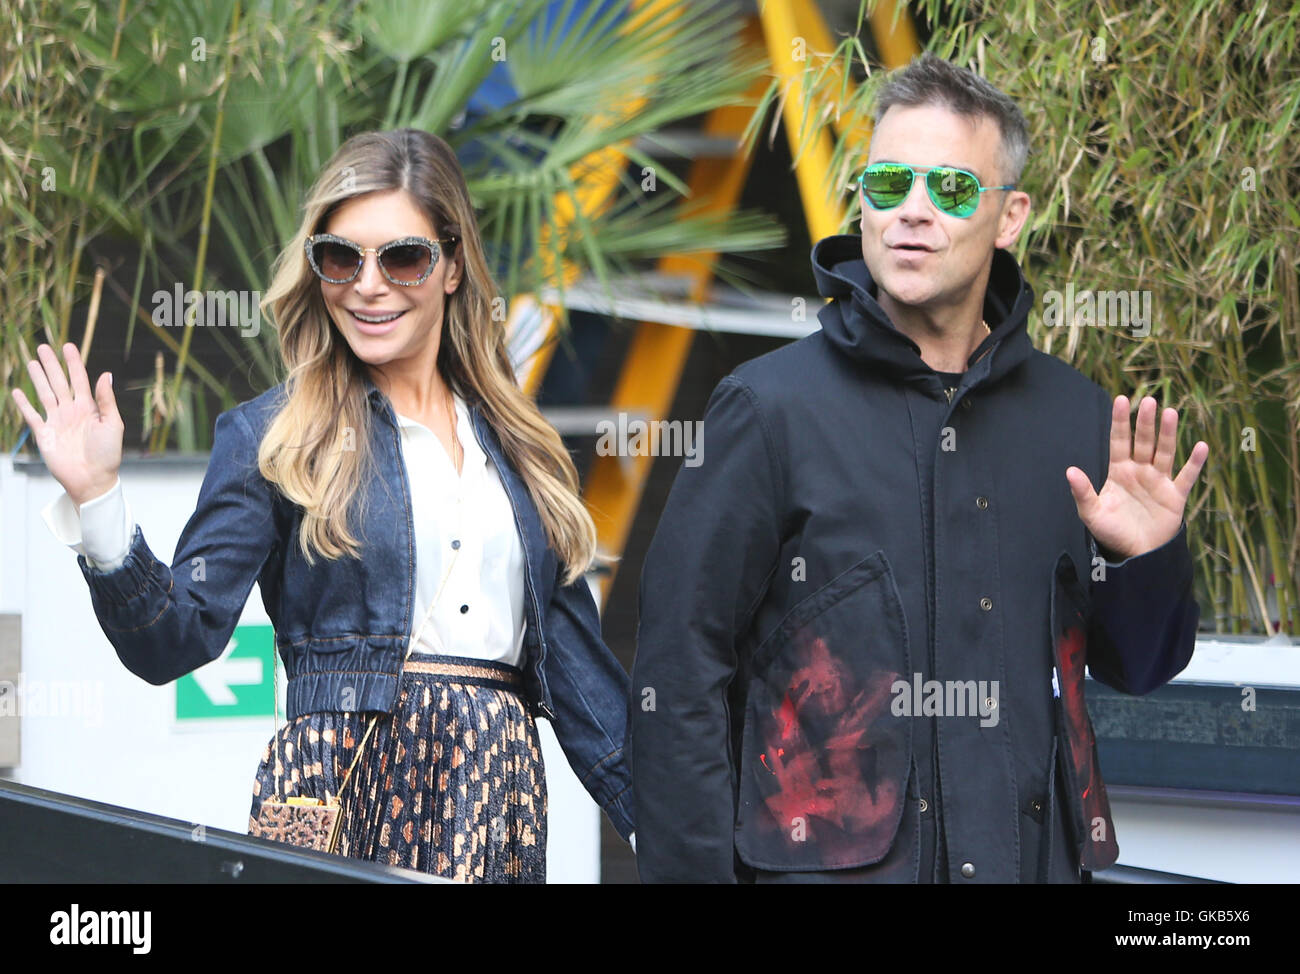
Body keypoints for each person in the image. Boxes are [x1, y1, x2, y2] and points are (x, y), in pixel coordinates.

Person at [630, 53, 1208, 884]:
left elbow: (1143, 667)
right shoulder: (766, 411)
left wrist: (1138, 559)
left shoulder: (1078, 420)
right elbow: (678, 682)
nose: (913, 211)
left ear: (1009, 217)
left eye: (952, 190)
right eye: (890, 181)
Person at [12, 128, 634, 883]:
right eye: (341, 257)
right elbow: (174, 637)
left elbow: (590, 701)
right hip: (338, 796)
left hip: (493, 798)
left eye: (402, 257)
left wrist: (682, 841)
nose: (368, 285)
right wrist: (98, 500)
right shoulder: (273, 437)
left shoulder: (525, 452)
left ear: (453, 266)